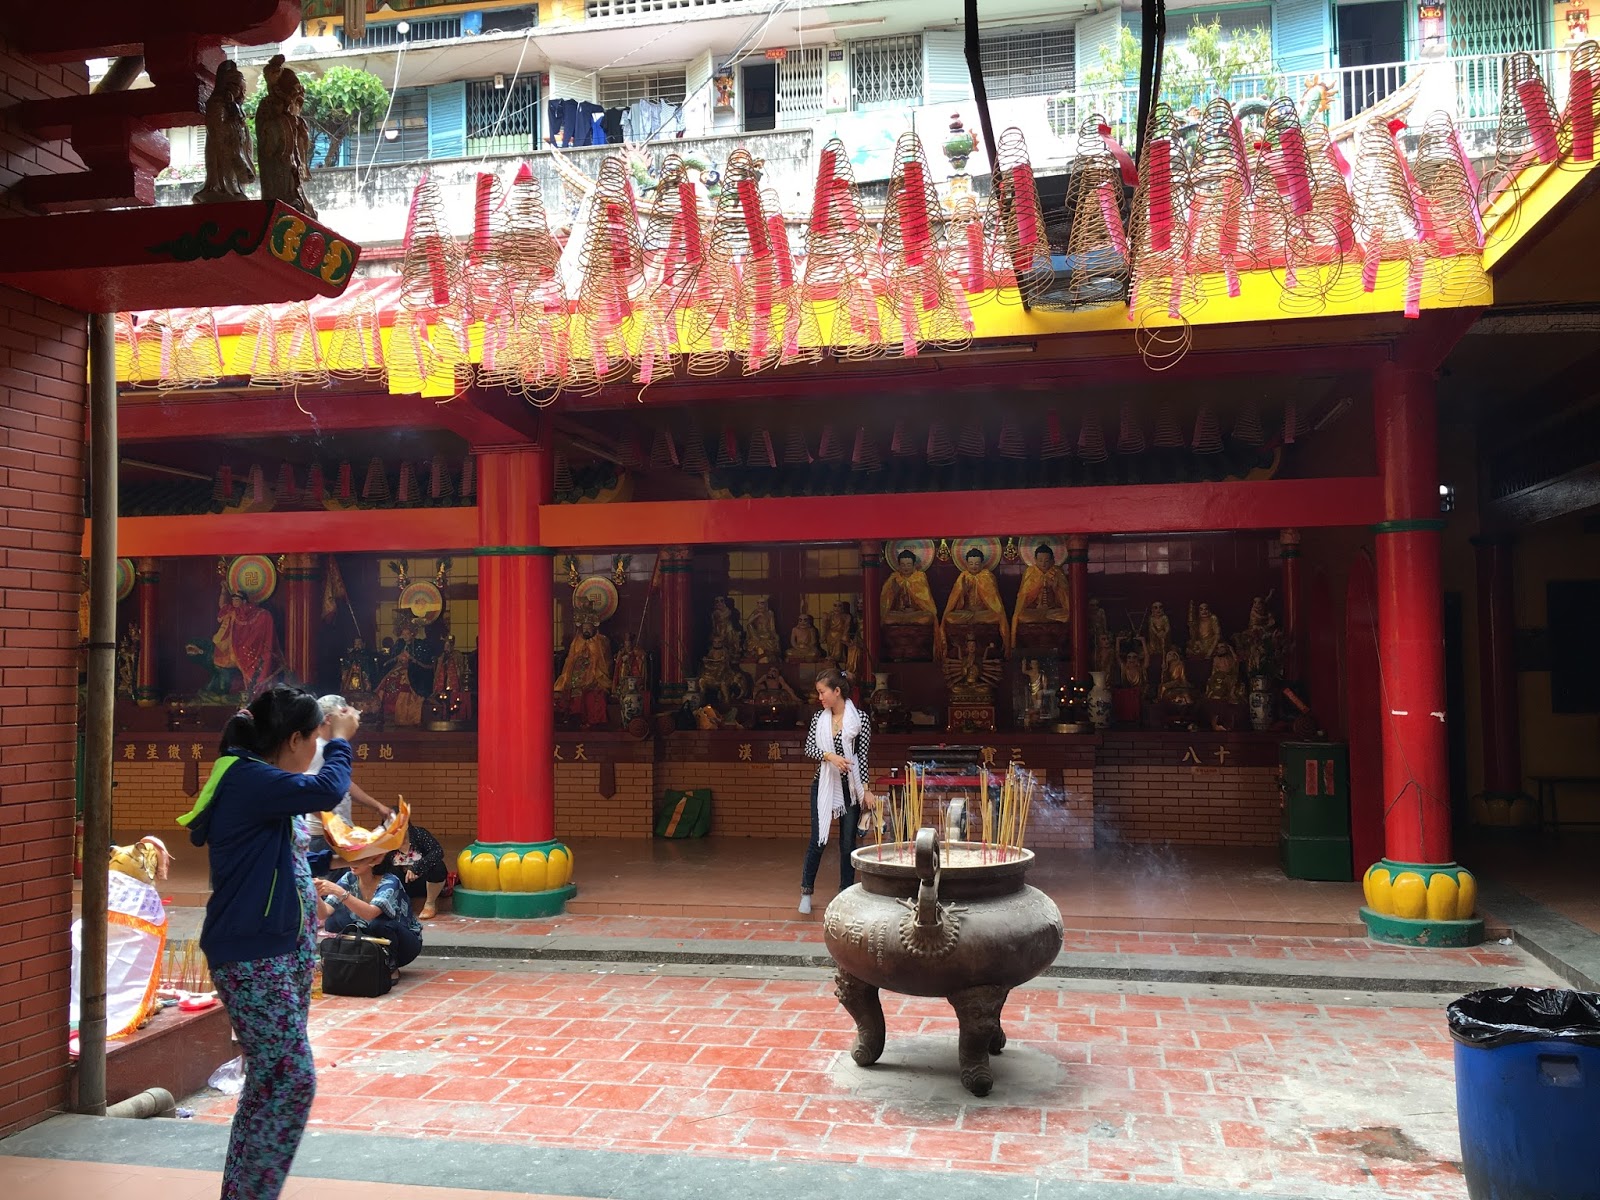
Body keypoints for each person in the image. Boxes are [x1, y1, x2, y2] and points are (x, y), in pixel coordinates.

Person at [176, 684, 359, 1200]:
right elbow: (328, 789)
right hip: (253, 953)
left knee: (269, 1079)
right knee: (293, 1080)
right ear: (297, 738)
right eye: (315, 740)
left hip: (284, 948)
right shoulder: (248, 779)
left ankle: (243, 1192)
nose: (318, 749)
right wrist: (342, 739)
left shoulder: (266, 779)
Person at [799, 666, 876, 915]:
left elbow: (861, 757)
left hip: (850, 787)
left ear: (837, 691)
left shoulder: (861, 719)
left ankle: (845, 892)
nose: (819, 698)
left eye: (822, 692)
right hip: (823, 783)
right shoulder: (818, 720)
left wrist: (866, 790)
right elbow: (809, 748)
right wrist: (830, 756)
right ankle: (806, 891)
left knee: (847, 844)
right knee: (818, 841)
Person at [304, 694, 393, 878]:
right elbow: (309, 796)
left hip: (337, 831)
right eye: (342, 714)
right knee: (331, 891)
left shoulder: (330, 747)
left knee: (342, 888)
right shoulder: (317, 749)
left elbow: (345, 784)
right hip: (323, 835)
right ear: (329, 719)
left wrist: (377, 806)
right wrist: (338, 828)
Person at [314, 845, 423, 979]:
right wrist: (316, 893)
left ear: (374, 860)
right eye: (351, 858)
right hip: (370, 935)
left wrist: (339, 892)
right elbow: (323, 913)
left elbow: (370, 914)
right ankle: (347, 959)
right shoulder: (348, 878)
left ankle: (391, 966)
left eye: (359, 858)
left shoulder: (390, 882)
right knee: (334, 920)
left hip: (405, 944)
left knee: (379, 924)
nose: (352, 862)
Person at [941, 546, 1010, 657]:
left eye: (977, 564)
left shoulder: (988, 576)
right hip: (965, 613)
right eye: (971, 564)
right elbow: (954, 602)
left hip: (983, 613)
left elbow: (994, 603)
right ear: (966, 564)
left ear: (982, 564)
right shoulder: (962, 577)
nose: (974, 566)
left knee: (997, 617)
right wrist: (963, 591)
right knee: (949, 617)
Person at [395, 822, 449, 920]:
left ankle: (430, 904)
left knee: (438, 866)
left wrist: (417, 868)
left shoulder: (419, 834)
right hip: (399, 884)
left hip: (423, 882)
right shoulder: (384, 841)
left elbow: (437, 852)